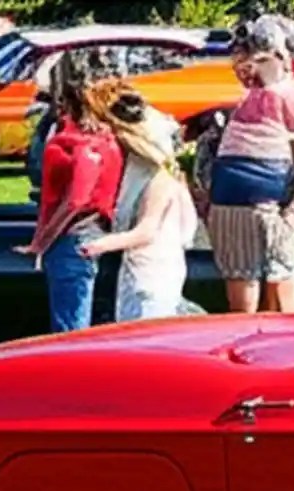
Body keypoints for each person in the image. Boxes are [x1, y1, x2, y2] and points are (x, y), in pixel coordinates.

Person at [207, 17, 294, 314]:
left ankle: (247, 344)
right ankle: (285, 346)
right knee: (282, 279)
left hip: (229, 196)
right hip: (270, 197)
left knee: (242, 283)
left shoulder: (247, 100)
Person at [11, 50, 125, 332]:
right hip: (88, 231)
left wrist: (42, 242)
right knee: (74, 314)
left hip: (75, 235)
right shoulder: (103, 140)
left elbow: (76, 199)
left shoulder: (84, 146)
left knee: (70, 324)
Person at [80, 82, 199, 322]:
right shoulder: (141, 166)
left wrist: (96, 245)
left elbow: (146, 230)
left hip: (152, 276)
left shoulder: (157, 175)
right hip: (138, 271)